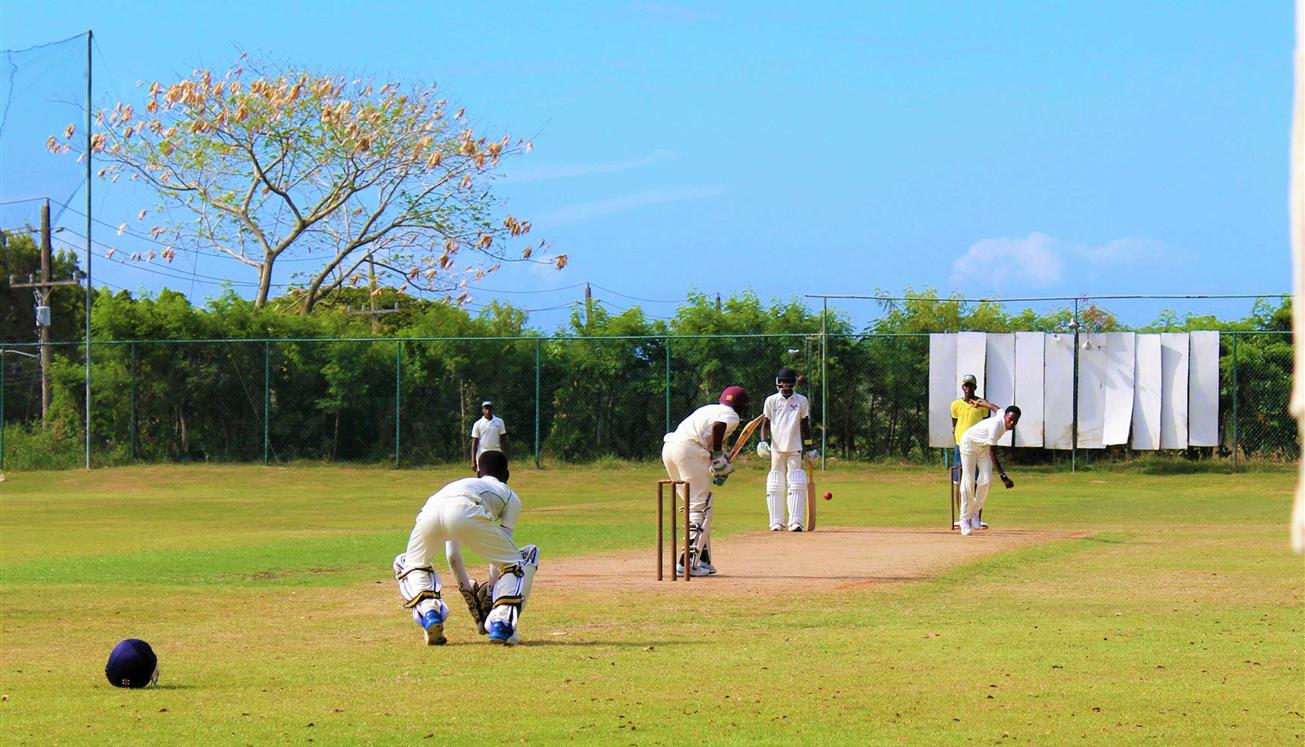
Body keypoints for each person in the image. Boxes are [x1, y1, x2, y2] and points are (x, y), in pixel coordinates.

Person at [393, 451, 539, 646]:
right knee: (521, 560)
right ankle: (501, 623)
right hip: (464, 508)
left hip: (430, 510)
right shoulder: (509, 495)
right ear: (506, 474)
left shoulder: (464, 485)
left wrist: (466, 592)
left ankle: (429, 613)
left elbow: (452, 555)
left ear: (478, 472)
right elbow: (500, 560)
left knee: (409, 564)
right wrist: (491, 593)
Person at [661, 385, 750, 577]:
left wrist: (718, 463)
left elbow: (705, 439)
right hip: (688, 451)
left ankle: (703, 560)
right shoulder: (731, 416)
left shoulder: (708, 409)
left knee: (696, 506)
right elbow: (718, 427)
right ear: (742, 406)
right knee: (700, 507)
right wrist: (718, 455)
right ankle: (686, 564)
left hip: (670, 449)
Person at [756, 367, 815, 531]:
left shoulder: (801, 401)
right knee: (775, 484)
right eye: (782, 383)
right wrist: (763, 441)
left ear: (793, 384)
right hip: (776, 448)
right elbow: (765, 424)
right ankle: (776, 522)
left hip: (795, 448)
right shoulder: (771, 401)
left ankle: (796, 522)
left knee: (796, 483)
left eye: (788, 383)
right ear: (777, 383)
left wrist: (809, 447)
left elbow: (805, 425)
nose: (785, 387)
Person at [957, 405, 1021, 537]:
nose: (1012, 423)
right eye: (1010, 419)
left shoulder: (1001, 414)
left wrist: (982, 403)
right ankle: (964, 520)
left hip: (983, 447)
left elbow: (995, 408)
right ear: (1005, 417)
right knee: (968, 483)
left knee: (986, 480)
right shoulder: (996, 427)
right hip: (969, 444)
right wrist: (1003, 476)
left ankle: (974, 514)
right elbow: (993, 454)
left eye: (1015, 420)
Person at [951, 374, 999, 529]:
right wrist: (957, 439)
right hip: (961, 446)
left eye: (971, 386)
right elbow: (955, 424)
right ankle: (962, 516)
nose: (968, 388)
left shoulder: (981, 405)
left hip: (978, 447)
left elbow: (987, 425)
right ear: (962, 387)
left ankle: (976, 516)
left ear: (975, 387)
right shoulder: (955, 405)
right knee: (961, 482)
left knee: (979, 481)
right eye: (966, 385)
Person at [470, 400, 508, 471]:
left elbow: (503, 440)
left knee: (497, 474)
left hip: (496, 451)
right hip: (482, 452)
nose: (488, 411)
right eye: (486, 408)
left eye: (489, 408)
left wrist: (505, 456)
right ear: (482, 410)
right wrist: (473, 460)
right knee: (483, 474)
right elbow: (474, 443)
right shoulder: (478, 424)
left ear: (492, 410)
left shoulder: (499, 422)